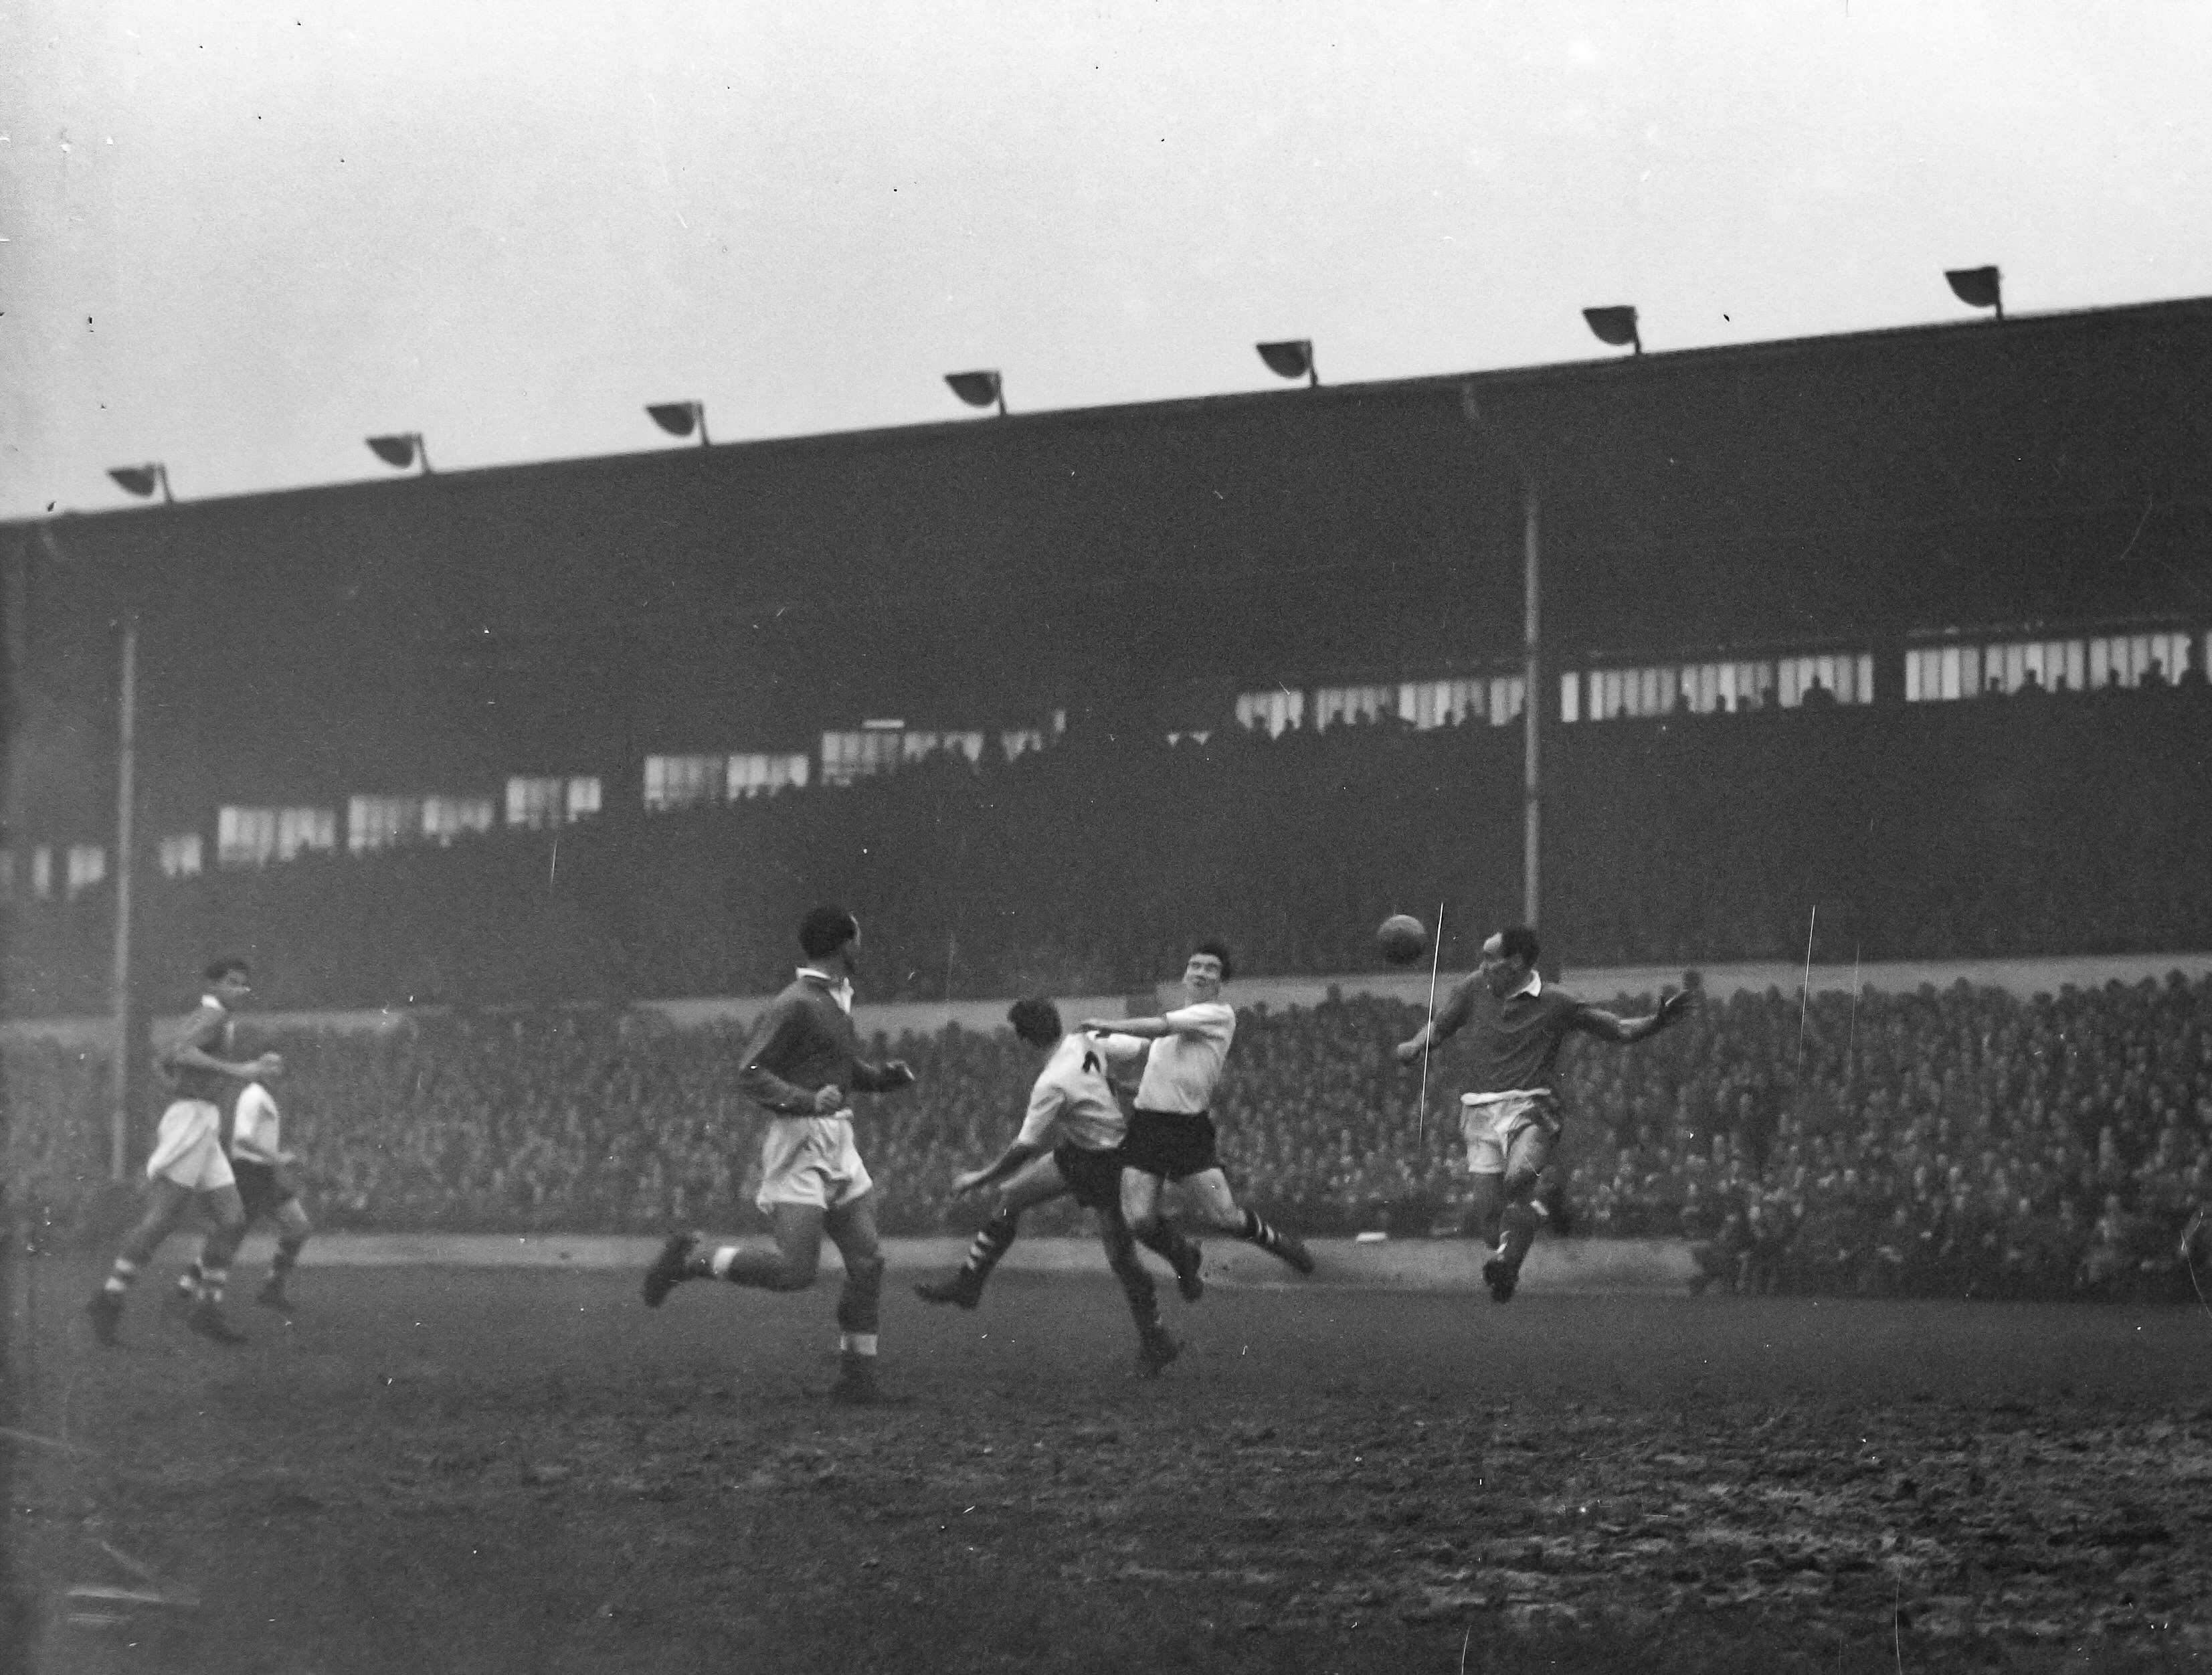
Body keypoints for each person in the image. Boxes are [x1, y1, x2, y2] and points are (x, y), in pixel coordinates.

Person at [641, 907, 917, 1405]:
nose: (863, 945)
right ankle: (692, 1258)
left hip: (838, 1140)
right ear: (843, 944)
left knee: (869, 1261)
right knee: (796, 1272)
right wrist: (808, 1100)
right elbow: (749, 1072)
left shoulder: (834, 997)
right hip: (799, 1142)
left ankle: (857, 1381)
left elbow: (833, 1063)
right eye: (859, 936)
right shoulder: (794, 1002)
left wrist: (878, 1078)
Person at [1396, 927, 1693, 1302]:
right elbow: (1439, 1028)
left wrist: (1658, 1021)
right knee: (1491, 1225)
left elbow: (1617, 1029)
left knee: (1518, 1179)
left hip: (1531, 1106)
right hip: (1479, 1112)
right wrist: (1415, 1044)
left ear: (1517, 963)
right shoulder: (1474, 988)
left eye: (1491, 958)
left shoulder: (1556, 1001)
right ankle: (1529, 1226)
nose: (1482, 966)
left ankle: (1508, 1259)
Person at [915, 998, 1184, 1375]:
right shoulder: (1084, 1037)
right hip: (1081, 1150)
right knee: (1012, 1197)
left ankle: (1156, 1337)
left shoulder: (1051, 1083)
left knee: (1120, 1255)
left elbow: (1024, 1148)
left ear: (1025, 1041)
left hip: (1106, 1162)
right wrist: (1121, 1084)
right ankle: (968, 1284)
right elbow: (1142, 1048)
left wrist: (978, 1177)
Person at [1078, 941, 1313, 1290]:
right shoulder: (1175, 1025)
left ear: (1221, 982)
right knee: (1140, 1221)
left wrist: (1106, 1024)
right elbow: (1150, 1067)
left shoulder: (1217, 1015)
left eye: (1211, 968)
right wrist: (1103, 1061)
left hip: (1188, 1133)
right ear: (1185, 974)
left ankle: (1279, 1244)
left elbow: (1158, 1027)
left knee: (1226, 1218)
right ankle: (1185, 1256)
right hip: (1147, 1128)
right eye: (1195, 966)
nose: (1201, 972)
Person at [86, 957, 285, 1346]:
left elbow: (165, 1059)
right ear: (212, 985)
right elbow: (178, 1053)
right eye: (232, 982)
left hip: (202, 1120)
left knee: (232, 1219)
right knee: (162, 1220)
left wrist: (178, 1085)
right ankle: (108, 1299)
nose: (239, 990)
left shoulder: (214, 1018)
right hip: (191, 1121)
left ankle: (206, 1309)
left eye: (244, 984)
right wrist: (238, 1071)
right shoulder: (211, 1016)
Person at [173, 1074, 312, 1314]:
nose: (277, 1069)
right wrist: (277, 1157)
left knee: (298, 1226)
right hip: (250, 1173)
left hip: (266, 1174)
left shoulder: (267, 1097)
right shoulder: (253, 1096)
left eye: (279, 1065)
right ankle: (190, 1285)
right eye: (270, 1064)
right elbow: (242, 1139)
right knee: (232, 1234)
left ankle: (271, 1289)